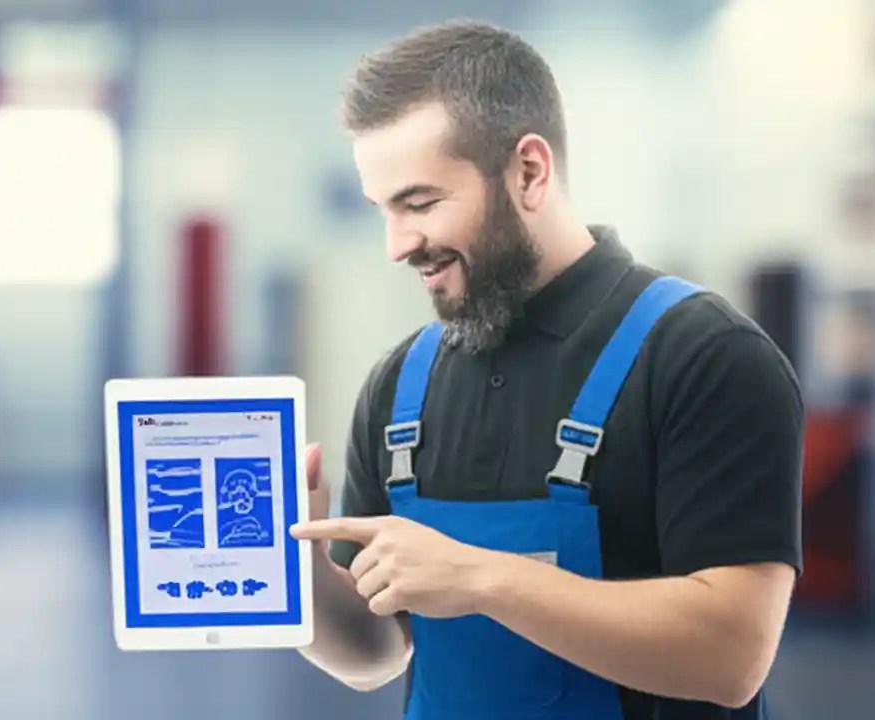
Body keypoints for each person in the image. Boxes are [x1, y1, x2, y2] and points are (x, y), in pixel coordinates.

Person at [289, 19, 803, 720]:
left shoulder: (704, 356)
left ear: (529, 171)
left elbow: (730, 656)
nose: (397, 243)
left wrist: (477, 577)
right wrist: (301, 581)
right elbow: (380, 651)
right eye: (383, 209)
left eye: (421, 203)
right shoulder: (398, 386)